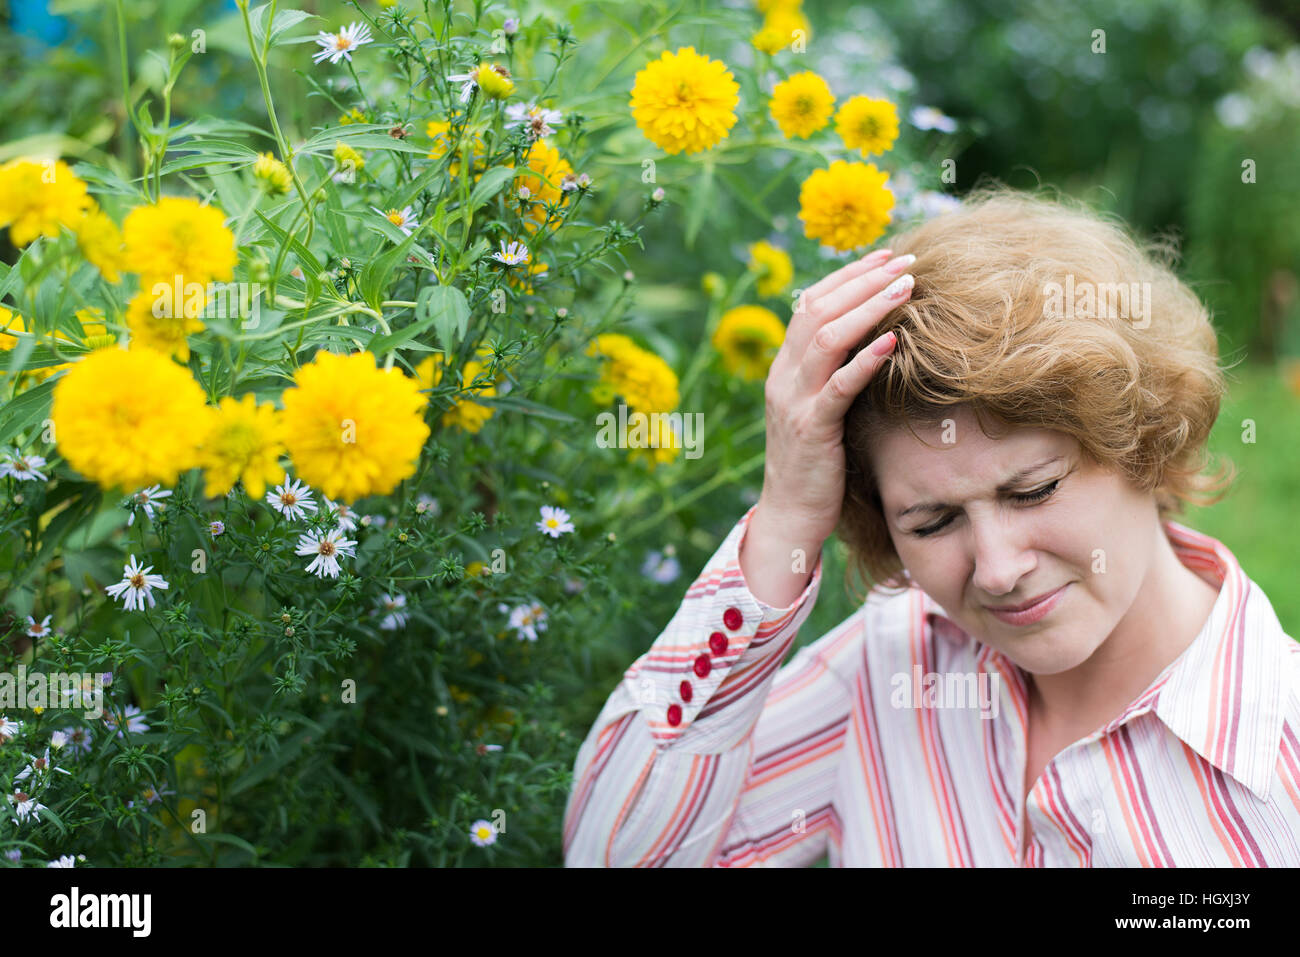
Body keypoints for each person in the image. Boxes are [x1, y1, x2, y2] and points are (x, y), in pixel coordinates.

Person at [562, 186, 1300, 867]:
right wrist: (787, 512)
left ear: (1145, 442)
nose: (999, 568)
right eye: (933, 520)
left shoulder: (1281, 757)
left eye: (1033, 490)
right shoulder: (894, 664)